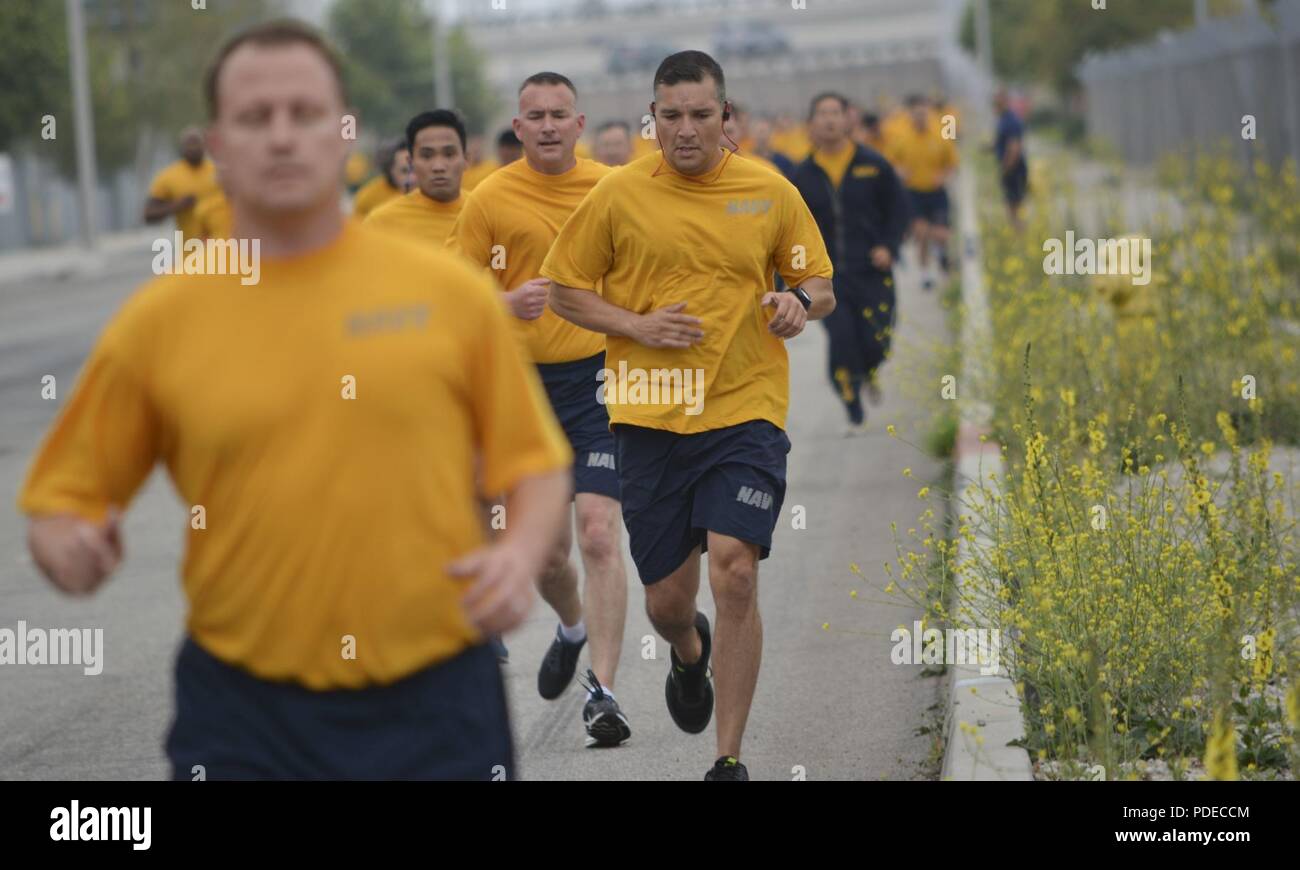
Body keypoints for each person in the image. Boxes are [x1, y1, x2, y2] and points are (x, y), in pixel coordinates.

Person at [18, 19, 572, 781]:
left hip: (438, 699)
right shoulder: (162, 319)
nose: (282, 137)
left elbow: (536, 465)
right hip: (244, 717)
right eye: (254, 117)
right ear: (217, 144)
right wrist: (68, 550)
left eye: (305, 114)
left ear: (343, 130)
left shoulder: (448, 295)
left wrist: (517, 555)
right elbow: (60, 502)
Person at [542, 51, 835, 781]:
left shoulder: (768, 190)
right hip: (648, 420)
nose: (685, 130)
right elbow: (564, 289)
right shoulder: (617, 195)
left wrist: (798, 302)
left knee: (735, 572)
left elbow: (819, 281)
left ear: (725, 117)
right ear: (653, 118)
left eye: (701, 115)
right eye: (669, 116)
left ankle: (728, 759)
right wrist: (636, 326)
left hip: (745, 411)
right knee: (668, 601)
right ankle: (687, 651)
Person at [447, 71, 633, 749]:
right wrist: (506, 302)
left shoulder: (613, 190)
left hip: (599, 383)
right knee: (551, 556)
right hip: (523, 387)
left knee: (598, 534)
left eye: (560, 114)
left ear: (580, 125)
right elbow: (454, 300)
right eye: (535, 116)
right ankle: (573, 627)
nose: (549, 125)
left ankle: (604, 691)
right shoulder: (489, 200)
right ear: (517, 129)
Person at [792, 92, 910, 433]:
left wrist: (888, 246)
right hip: (827, 279)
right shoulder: (803, 175)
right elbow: (792, 228)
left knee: (878, 338)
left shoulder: (874, 165)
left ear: (848, 119)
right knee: (842, 340)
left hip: (873, 272)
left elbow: (898, 210)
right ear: (811, 124)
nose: (829, 120)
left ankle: (871, 369)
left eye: (835, 113)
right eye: (821, 113)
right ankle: (851, 401)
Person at [884, 95, 956, 291]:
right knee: (921, 233)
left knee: (941, 235)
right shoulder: (902, 139)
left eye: (923, 114)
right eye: (916, 114)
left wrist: (943, 176)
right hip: (913, 193)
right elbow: (889, 163)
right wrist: (899, 171)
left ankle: (940, 252)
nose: (920, 118)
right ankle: (925, 274)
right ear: (910, 116)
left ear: (928, 114)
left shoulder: (941, 135)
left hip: (936, 192)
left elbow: (951, 163)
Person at [364, 109, 467, 246]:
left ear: (466, 159)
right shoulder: (380, 223)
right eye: (426, 155)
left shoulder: (487, 214)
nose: (438, 166)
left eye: (449, 154)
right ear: (411, 162)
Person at [143, 126, 220, 243]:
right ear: (182, 147)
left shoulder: (219, 173)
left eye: (196, 143)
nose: (193, 148)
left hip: (222, 250)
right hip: (190, 252)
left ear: (204, 144)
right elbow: (149, 214)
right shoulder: (168, 177)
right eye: (189, 144)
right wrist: (177, 205)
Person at [994, 89, 1028, 231]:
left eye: (997, 103)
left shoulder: (1011, 121)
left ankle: (1020, 233)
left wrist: (1006, 168)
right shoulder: (1003, 120)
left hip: (1014, 169)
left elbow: (1014, 148)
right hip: (1011, 167)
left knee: (1015, 205)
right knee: (1011, 204)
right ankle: (1017, 232)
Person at [351, 137, 411, 219]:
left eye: (416, 170)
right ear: (390, 169)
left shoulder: (424, 193)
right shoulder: (368, 197)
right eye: (404, 171)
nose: (412, 177)